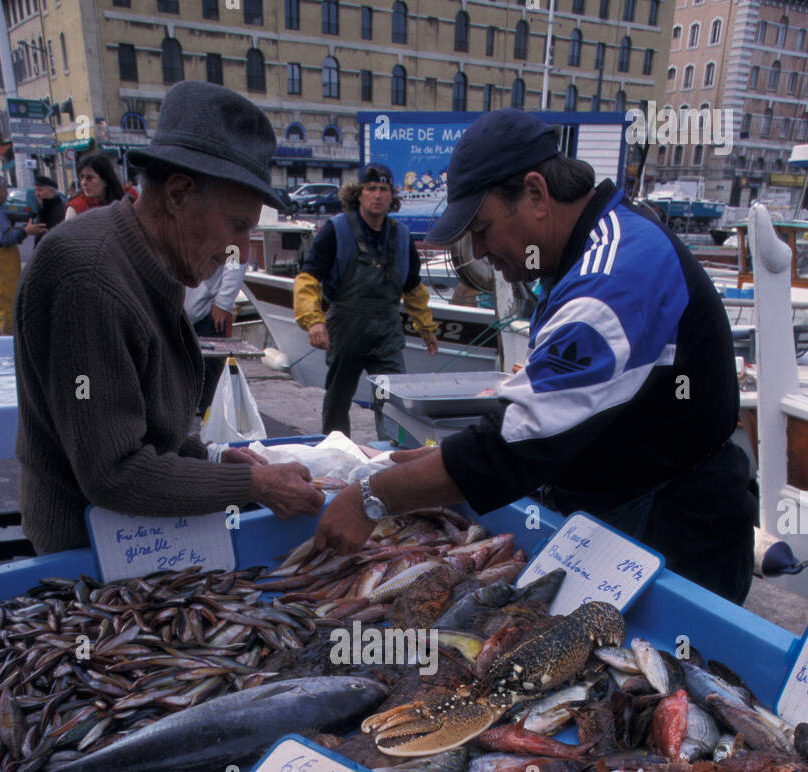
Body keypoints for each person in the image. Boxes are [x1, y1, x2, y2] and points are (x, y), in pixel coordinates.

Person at [314, 109, 757, 606]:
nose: (480, 252)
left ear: (535, 193)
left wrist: (372, 498)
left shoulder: (611, 277)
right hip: (623, 505)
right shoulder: (588, 245)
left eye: (482, 229)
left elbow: (517, 444)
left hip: (678, 531)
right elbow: (559, 407)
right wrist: (443, 461)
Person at [14, 80, 324, 554]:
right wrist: (254, 487)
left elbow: (145, 426)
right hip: (87, 557)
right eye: (237, 226)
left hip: (140, 539)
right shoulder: (88, 277)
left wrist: (214, 461)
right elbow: (114, 471)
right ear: (179, 194)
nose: (238, 250)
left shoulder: (147, 261)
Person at [293, 162, 438, 437]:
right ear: (358, 194)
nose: (377, 195)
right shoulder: (335, 230)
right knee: (338, 399)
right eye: (370, 188)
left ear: (391, 196)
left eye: (384, 189)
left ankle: (391, 458)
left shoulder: (402, 237)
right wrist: (313, 321)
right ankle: (336, 451)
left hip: (385, 336)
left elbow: (413, 288)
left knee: (391, 398)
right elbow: (307, 279)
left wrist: (426, 328)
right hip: (345, 332)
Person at [0, 173, 43, 333]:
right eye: (4, 190)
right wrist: (26, 231)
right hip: (1, 261)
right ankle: (10, 337)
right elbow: (5, 237)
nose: (6, 194)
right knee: (8, 303)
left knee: (3, 302)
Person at [184, 259, 247, 416]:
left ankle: (211, 421)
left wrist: (223, 303)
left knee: (212, 376)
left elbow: (235, 256)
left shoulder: (231, 234)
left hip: (210, 312)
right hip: (179, 310)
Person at [64, 153, 126, 219]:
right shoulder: (76, 208)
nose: (83, 183)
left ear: (105, 180)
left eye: (90, 177)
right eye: (81, 177)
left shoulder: (121, 204)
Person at [31, 175, 66, 245]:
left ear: (51, 191)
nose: (37, 194)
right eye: (36, 190)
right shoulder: (42, 207)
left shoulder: (59, 209)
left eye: (40, 190)